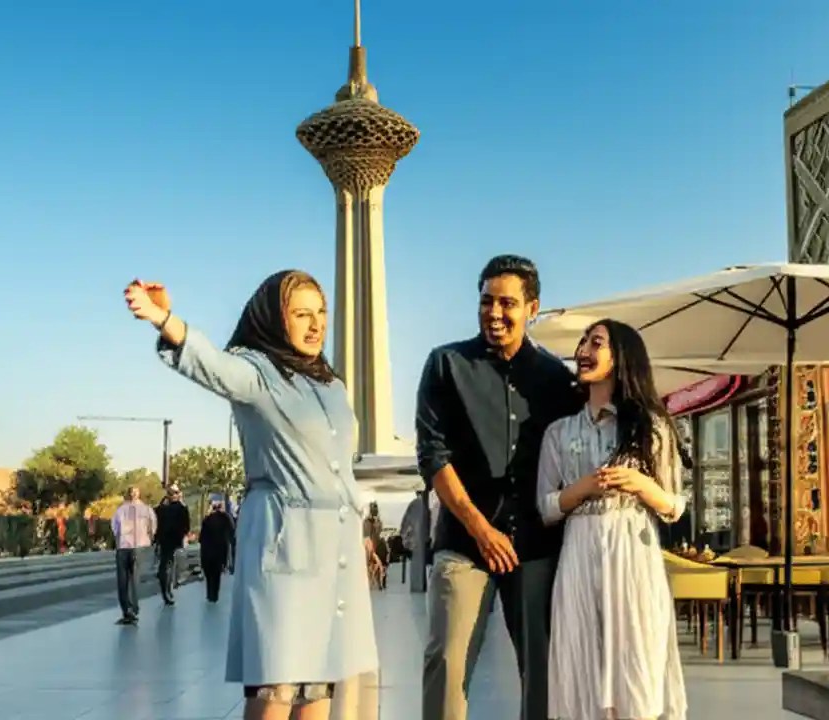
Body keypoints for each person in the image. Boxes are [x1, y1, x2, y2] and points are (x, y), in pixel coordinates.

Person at [126, 270, 378, 720]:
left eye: (321, 313)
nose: (316, 324)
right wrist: (164, 319)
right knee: (276, 688)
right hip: (286, 542)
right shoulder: (257, 372)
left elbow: (339, 469)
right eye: (301, 314)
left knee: (319, 686)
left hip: (335, 552)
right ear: (274, 319)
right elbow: (210, 364)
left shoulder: (331, 385)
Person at [416, 254, 581, 720]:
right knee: (445, 664)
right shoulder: (445, 365)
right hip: (464, 544)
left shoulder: (556, 379)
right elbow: (433, 457)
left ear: (533, 307)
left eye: (507, 302)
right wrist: (480, 529)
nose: (494, 313)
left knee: (544, 670)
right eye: (486, 301)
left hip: (536, 546)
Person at [537, 320, 688, 720]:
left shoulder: (652, 428)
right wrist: (584, 487)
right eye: (583, 341)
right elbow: (546, 508)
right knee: (581, 662)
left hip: (633, 553)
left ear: (621, 357)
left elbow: (674, 505)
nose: (584, 350)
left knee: (636, 664)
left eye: (596, 342)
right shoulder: (558, 432)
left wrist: (640, 484)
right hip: (580, 551)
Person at [111, 485, 157, 626]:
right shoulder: (147, 510)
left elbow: (115, 529)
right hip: (140, 547)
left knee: (123, 580)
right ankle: (134, 608)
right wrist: (149, 540)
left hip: (124, 547)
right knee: (135, 579)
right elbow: (153, 527)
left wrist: (118, 543)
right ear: (139, 494)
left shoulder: (120, 510)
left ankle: (127, 610)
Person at [155, 485, 191, 605]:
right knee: (172, 565)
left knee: (165, 564)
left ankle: (165, 587)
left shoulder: (161, 509)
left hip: (163, 540)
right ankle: (169, 588)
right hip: (176, 540)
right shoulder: (182, 508)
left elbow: (156, 524)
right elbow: (187, 526)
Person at [200, 500, 237, 603]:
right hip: (220, 550)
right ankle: (214, 595)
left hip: (207, 551)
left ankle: (209, 594)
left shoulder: (207, 519)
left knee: (209, 574)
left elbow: (201, 538)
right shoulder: (226, 518)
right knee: (216, 575)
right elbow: (232, 532)